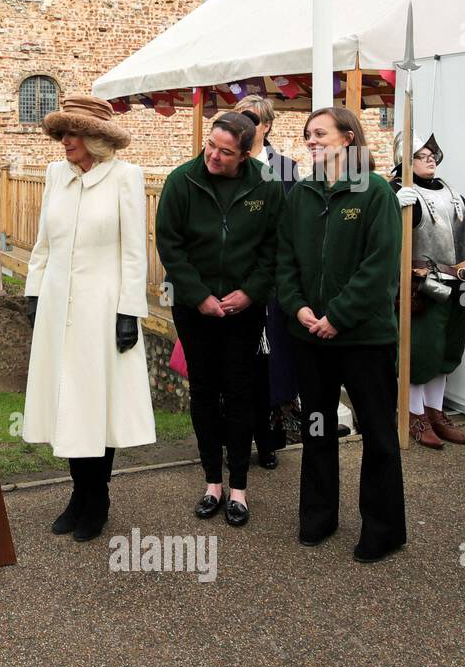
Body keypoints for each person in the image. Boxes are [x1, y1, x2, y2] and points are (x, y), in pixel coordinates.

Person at [22, 95, 155, 542]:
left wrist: (129, 312)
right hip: (58, 305)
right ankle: (79, 493)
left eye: (74, 133)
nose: (65, 142)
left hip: (103, 309)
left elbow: (135, 252)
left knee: (98, 402)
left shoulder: (126, 177)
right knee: (65, 400)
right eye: (62, 133)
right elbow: (43, 242)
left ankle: (96, 497)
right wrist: (35, 295)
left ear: (97, 139)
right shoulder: (55, 175)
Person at [276, 106, 406, 562]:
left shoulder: (374, 194)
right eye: (307, 135)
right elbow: (284, 259)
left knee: (378, 433)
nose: (311, 141)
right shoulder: (301, 195)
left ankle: (384, 529)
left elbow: (380, 267)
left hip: (364, 338)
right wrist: (300, 309)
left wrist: (339, 315)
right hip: (310, 336)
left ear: (348, 138)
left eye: (320, 134)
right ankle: (318, 516)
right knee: (317, 428)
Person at [155, 111, 282, 527]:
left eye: (225, 152)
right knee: (205, 390)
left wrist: (250, 292)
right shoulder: (182, 180)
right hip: (196, 309)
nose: (212, 155)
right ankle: (212, 481)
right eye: (210, 145)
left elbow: (274, 247)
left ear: (246, 154)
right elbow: (171, 246)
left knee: (241, 391)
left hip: (244, 309)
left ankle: (240, 487)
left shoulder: (266, 184)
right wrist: (199, 296)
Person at [390, 133, 465, 449]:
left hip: (459, 284)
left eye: (432, 154)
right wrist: (389, 207)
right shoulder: (396, 194)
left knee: (447, 352)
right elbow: (378, 237)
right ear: (404, 160)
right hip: (420, 286)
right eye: (421, 155)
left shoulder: (455, 196)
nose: (430, 159)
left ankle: (435, 414)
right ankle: (412, 415)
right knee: (420, 352)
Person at [234, 96, 302, 469]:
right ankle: (237, 441)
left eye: (253, 119)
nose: (247, 124)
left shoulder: (286, 169)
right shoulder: (227, 162)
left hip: (274, 281)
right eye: (240, 117)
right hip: (237, 278)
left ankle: (270, 439)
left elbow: (296, 224)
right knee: (239, 364)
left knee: (273, 362)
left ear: (267, 125)